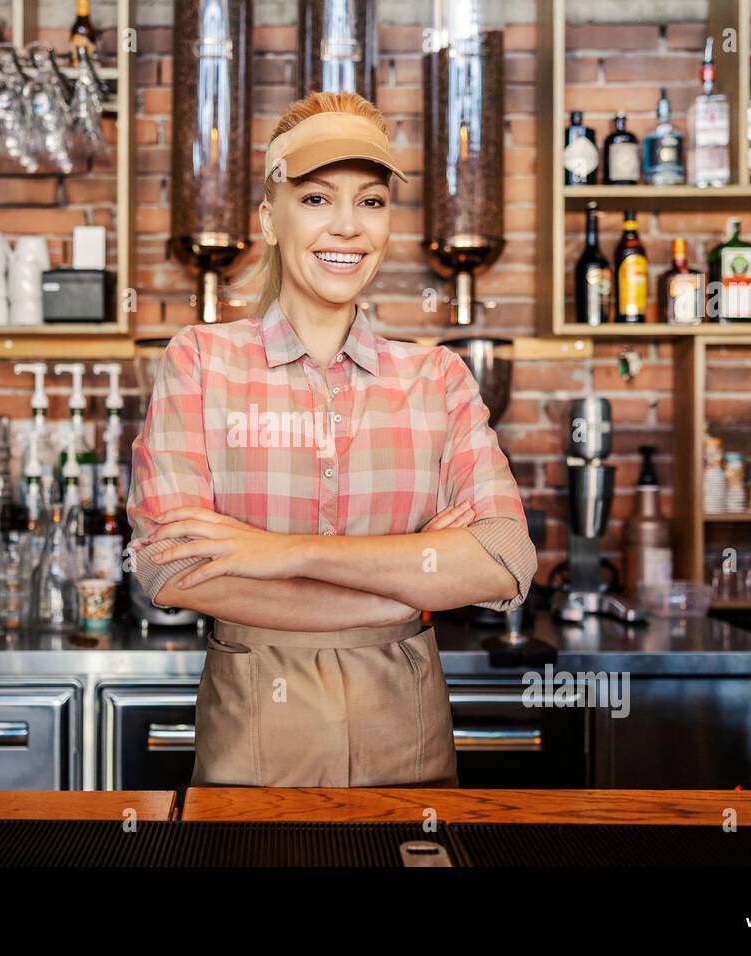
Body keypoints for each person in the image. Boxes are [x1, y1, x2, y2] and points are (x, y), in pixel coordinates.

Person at [127, 91, 535, 788]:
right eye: (316, 199)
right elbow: (172, 570)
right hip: (252, 755)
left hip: (408, 754)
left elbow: (504, 562)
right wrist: (408, 590)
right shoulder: (200, 361)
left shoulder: (436, 376)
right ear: (270, 218)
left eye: (371, 202)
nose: (348, 226)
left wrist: (282, 554)